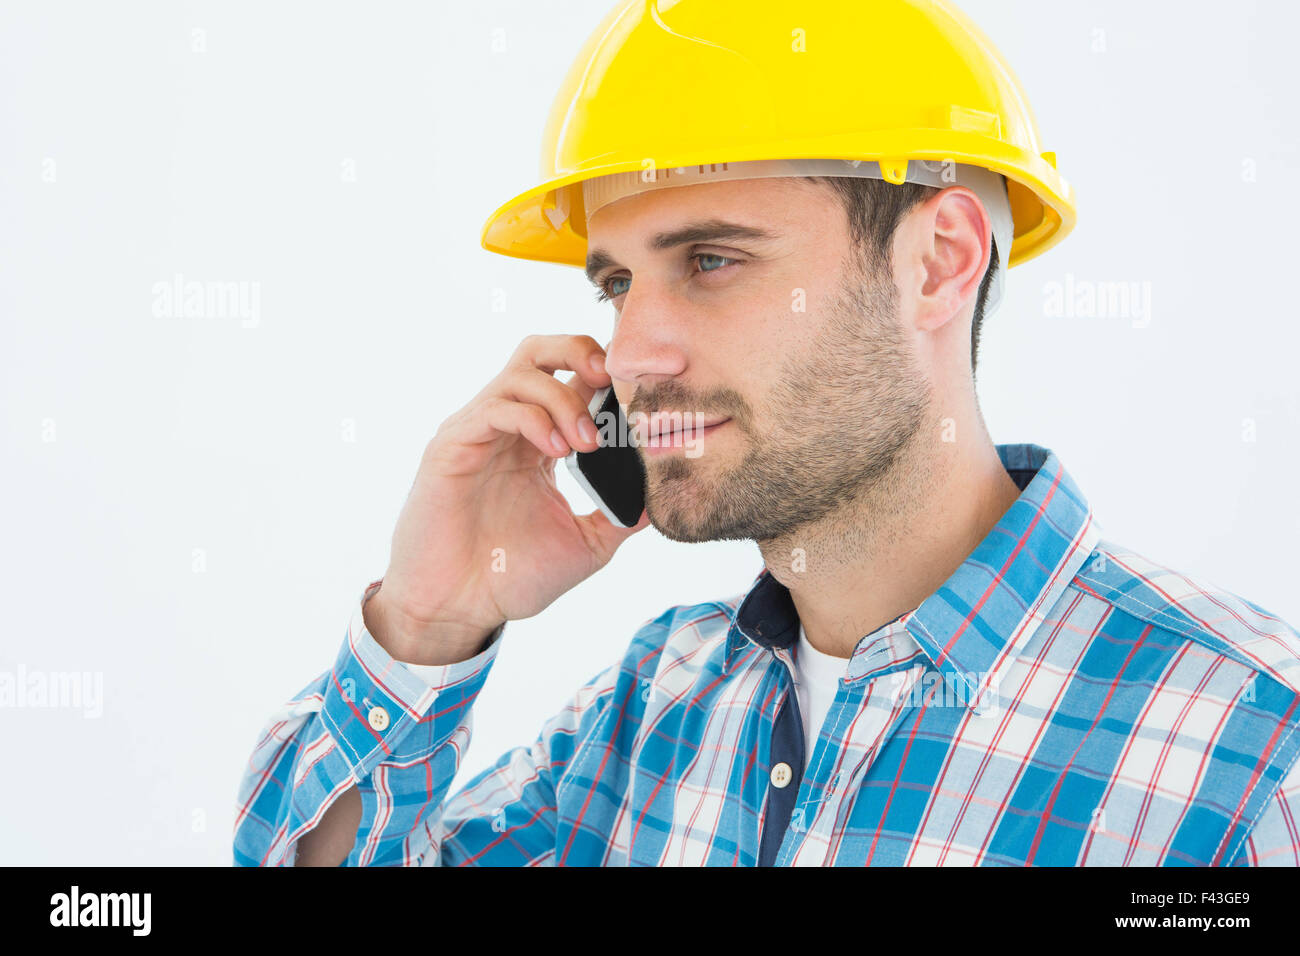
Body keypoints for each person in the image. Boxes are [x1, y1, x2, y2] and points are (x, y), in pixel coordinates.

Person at [234, 0, 1300, 866]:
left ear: (936, 262)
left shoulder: (1249, 751)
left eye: (710, 260)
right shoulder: (648, 711)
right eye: (616, 282)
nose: (636, 350)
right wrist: (429, 619)